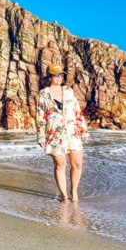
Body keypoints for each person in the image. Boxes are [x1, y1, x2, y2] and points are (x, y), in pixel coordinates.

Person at [35, 63, 89, 202]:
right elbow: (40, 116)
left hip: (72, 132)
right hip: (55, 134)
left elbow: (77, 111)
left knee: (77, 164)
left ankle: (74, 193)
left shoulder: (68, 91)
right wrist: (41, 136)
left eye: (61, 75)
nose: (59, 78)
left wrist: (83, 129)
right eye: (56, 75)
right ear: (50, 77)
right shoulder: (43, 93)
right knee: (60, 165)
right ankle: (64, 196)